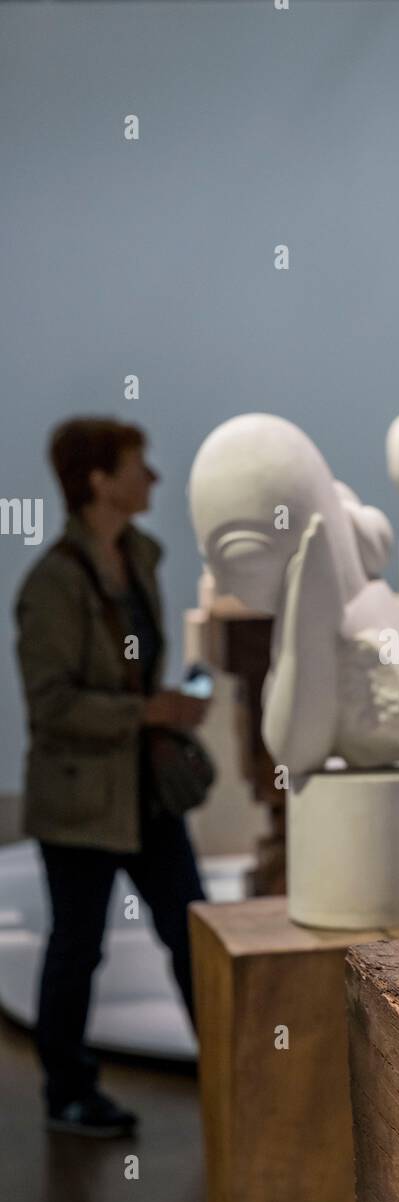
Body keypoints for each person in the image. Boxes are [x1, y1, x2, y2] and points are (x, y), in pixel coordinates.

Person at [14, 417, 209, 1138]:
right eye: (137, 465)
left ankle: (229, 1070)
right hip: (83, 802)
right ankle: (67, 1091)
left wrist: (159, 708)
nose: (152, 477)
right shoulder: (53, 585)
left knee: (192, 932)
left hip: (143, 797)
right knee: (78, 946)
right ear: (98, 480)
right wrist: (147, 710)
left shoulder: (139, 559)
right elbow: (52, 705)